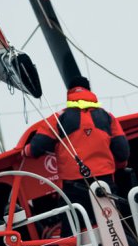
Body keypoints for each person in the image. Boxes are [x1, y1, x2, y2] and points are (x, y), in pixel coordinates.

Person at [25, 75, 130, 225]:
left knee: (73, 236)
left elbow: (36, 147)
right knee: (115, 228)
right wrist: (120, 166)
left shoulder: (59, 118)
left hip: (73, 190)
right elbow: (122, 151)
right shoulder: (108, 117)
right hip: (104, 185)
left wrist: (25, 151)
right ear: (89, 91)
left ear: (69, 93)